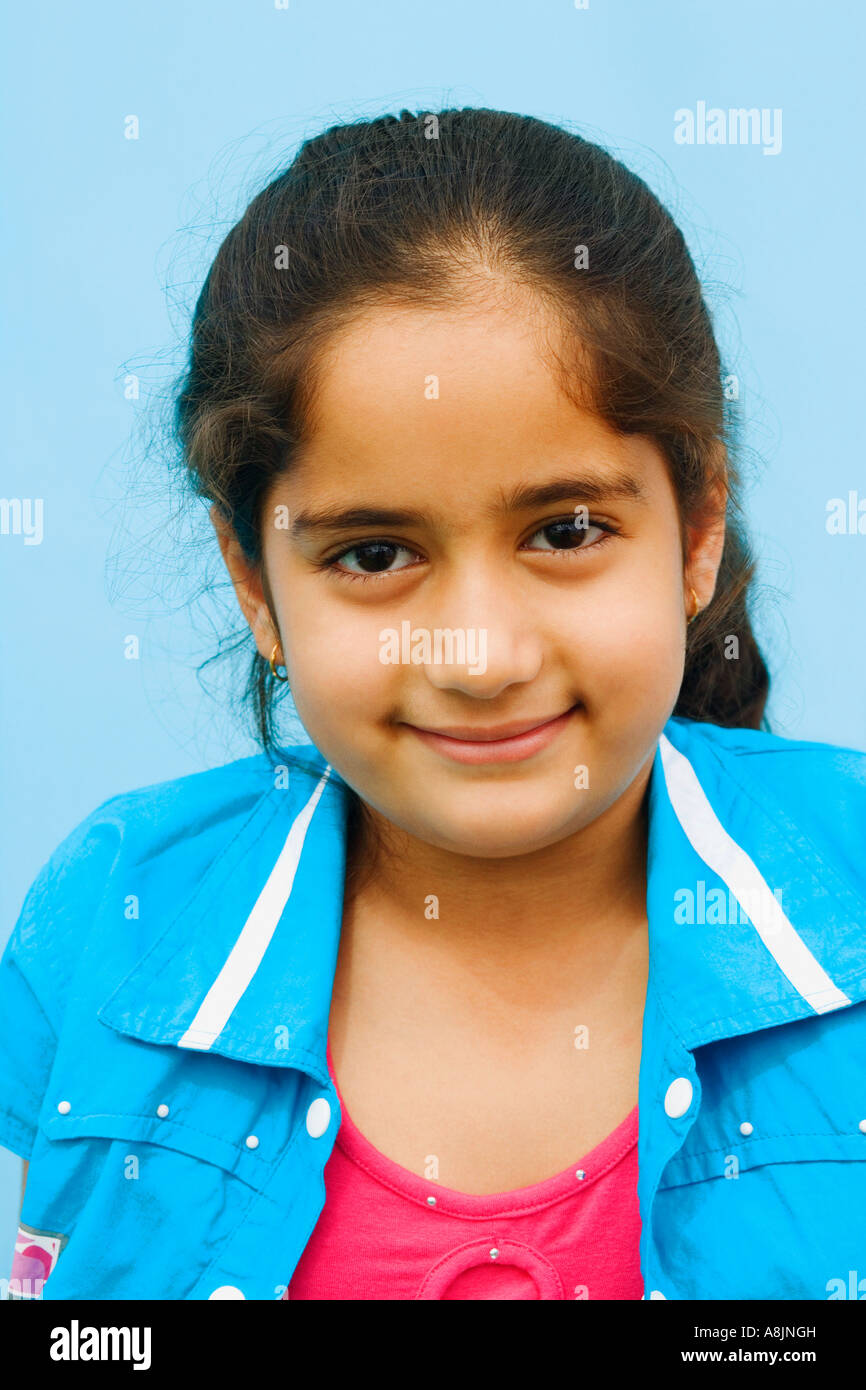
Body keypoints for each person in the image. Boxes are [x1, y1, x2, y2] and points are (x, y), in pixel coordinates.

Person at [2, 108, 866, 1302]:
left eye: (565, 531)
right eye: (371, 554)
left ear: (697, 528)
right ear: (255, 576)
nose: (477, 652)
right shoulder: (114, 919)